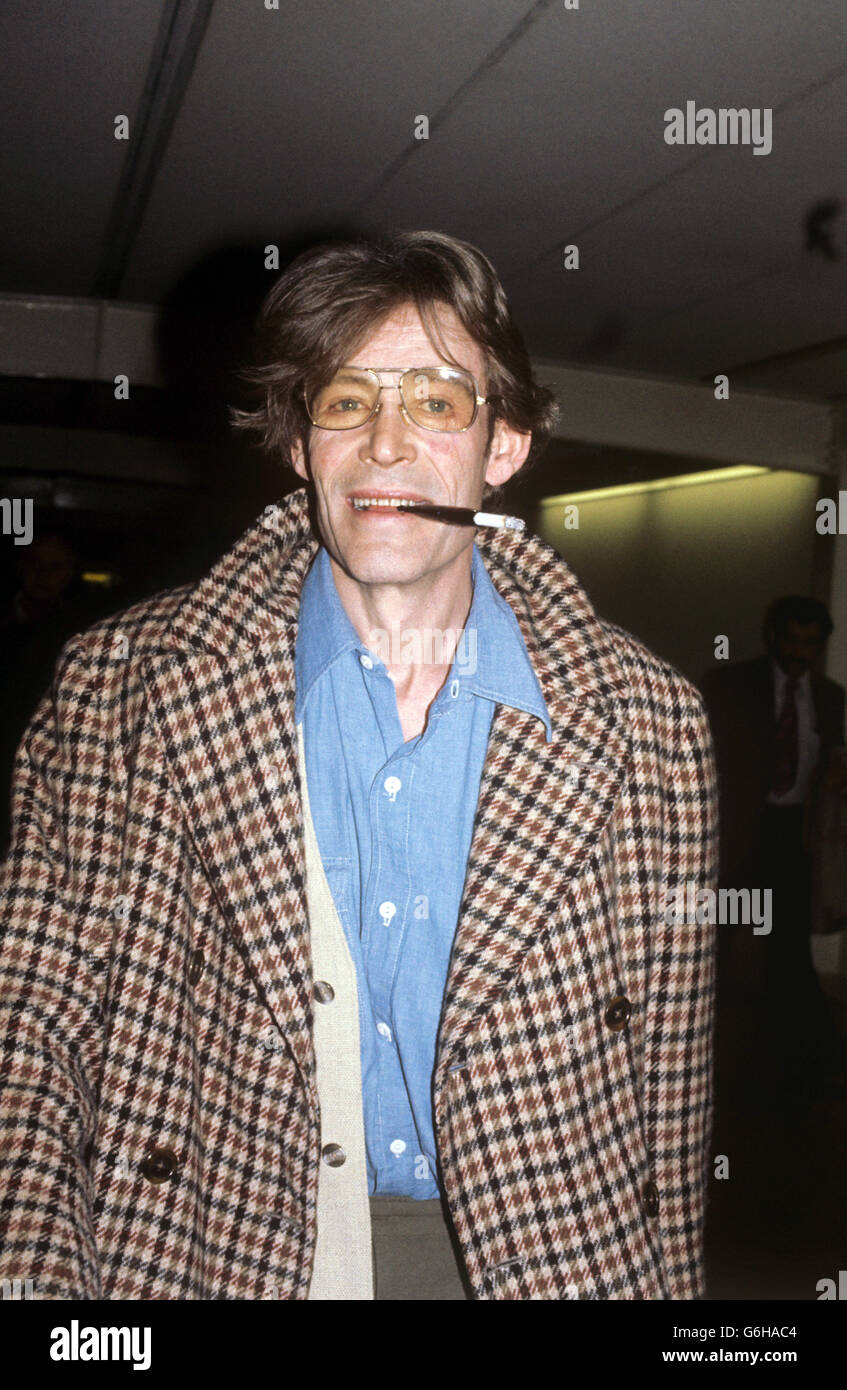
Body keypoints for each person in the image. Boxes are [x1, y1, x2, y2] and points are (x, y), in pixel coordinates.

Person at [0, 230, 718, 1301]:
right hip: (218, 1244)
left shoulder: (650, 720)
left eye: (436, 401)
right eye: (344, 401)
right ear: (300, 444)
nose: (385, 446)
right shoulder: (122, 688)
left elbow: (668, 1083)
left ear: (504, 443)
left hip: (547, 1252)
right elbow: (31, 1035)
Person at [700, 596, 845, 1049]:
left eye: (811, 643)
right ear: (773, 638)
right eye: (793, 640)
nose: (800, 651)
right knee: (720, 923)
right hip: (740, 823)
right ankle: (702, 1017)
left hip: (793, 827)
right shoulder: (730, 684)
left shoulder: (829, 696)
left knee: (787, 925)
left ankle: (791, 1027)